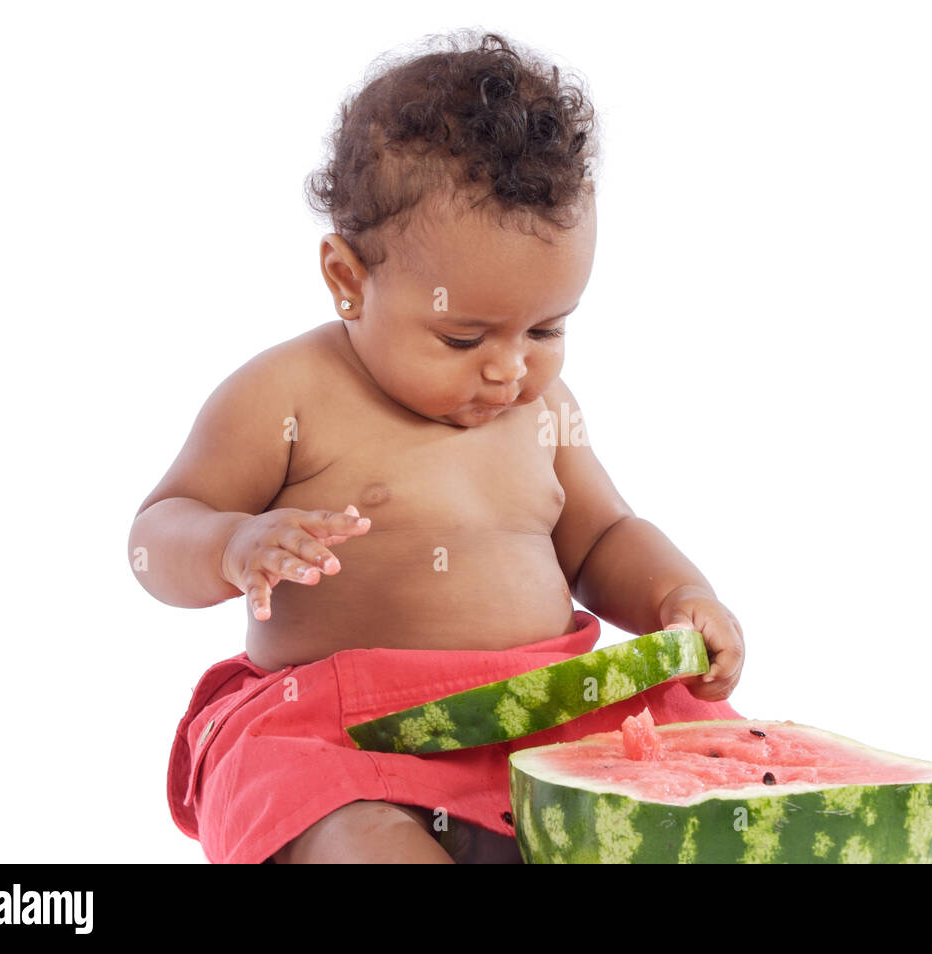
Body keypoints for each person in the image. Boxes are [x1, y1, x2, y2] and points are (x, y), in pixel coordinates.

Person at [130, 29, 746, 864]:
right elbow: (157, 529)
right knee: (348, 830)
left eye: (546, 328)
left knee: (722, 765)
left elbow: (601, 539)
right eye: (463, 338)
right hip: (346, 737)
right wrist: (230, 545)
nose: (509, 369)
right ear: (349, 280)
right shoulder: (287, 396)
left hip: (555, 716)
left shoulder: (543, 410)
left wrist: (679, 595)